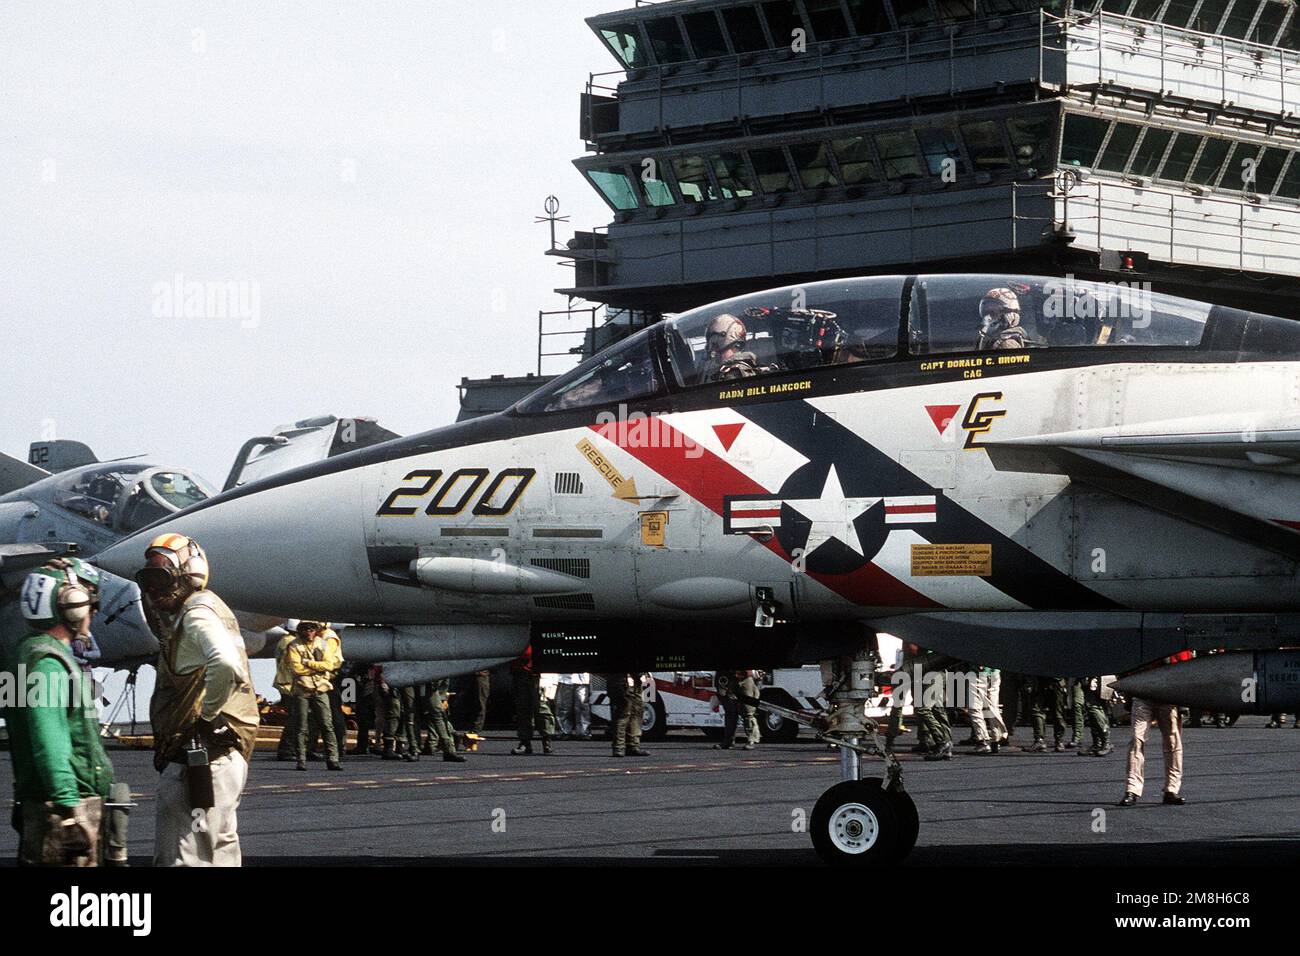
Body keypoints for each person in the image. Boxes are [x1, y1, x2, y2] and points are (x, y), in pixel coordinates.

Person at [134, 534, 259, 866]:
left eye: (160, 578)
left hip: (200, 758)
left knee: (183, 855)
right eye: (147, 580)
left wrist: (205, 718)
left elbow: (226, 664)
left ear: (186, 575)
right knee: (220, 849)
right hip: (223, 757)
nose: (153, 590)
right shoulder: (213, 607)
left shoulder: (195, 615)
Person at [4, 560, 130, 866]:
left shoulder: (28, 653)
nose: (93, 610)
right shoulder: (47, 664)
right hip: (63, 810)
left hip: (44, 804)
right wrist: (69, 812)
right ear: (70, 606)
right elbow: (50, 743)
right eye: (89, 601)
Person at [285, 622, 342, 772]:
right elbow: (296, 668)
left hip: (320, 688)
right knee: (301, 726)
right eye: (305, 629)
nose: (309, 632)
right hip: (302, 689)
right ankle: (301, 760)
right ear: (299, 631)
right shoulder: (294, 646)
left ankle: (333, 759)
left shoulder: (323, 644)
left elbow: (329, 665)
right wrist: (317, 667)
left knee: (327, 724)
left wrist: (308, 663)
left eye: (311, 629)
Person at [1119, 696, 1184, 806]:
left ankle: (1172, 789)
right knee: (1136, 739)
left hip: (1168, 698)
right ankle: (1132, 789)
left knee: (1173, 741)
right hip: (1141, 696)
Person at [701, 314, 776, 382]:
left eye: (712, 339)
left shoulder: (734, 373)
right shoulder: (746, 367)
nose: (710, 346)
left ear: (720, 338)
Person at [510, 645, 556, 755]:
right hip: (520, 672)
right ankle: (525, 742)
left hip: (538, 674)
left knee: (541, 707)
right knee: (523, 708)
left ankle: (546, 740)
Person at [418, 679, 466, 762]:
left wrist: (443, 697)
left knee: (437, 714)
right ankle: (415, 749)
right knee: (410, 715)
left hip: (428, 684)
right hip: (415, 682)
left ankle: (447, 749)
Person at [967, 665, 1007, 755]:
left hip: (979, 672)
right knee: (992, 706)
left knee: (975, 707)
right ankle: (996, 739)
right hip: (995, 672)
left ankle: (982, 741)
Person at [607, 672, 647, 757]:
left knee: (636, 712)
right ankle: (619, 747)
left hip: (633, 681)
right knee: (623, 714)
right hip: (621, 682)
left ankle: (632, 745)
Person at [272, 628, 297, 762]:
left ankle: (289, 749)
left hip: (284, 683)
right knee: (294, 718)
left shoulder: (283, 641)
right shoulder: (292, 643)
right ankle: (286, 750)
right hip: (290, 685)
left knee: (294, 717)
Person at [1077, 676, 1112, 757]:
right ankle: (1097, 744)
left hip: (1100, 679)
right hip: (1089, 679)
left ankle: (1106, 742)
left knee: (1095, 709)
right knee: (1092, 711)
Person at [555, 672, 592, 740]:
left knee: (582, 706)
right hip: (565, 678)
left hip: (582, 679)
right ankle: (564, 731)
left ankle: (583, 732)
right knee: (564, 706)